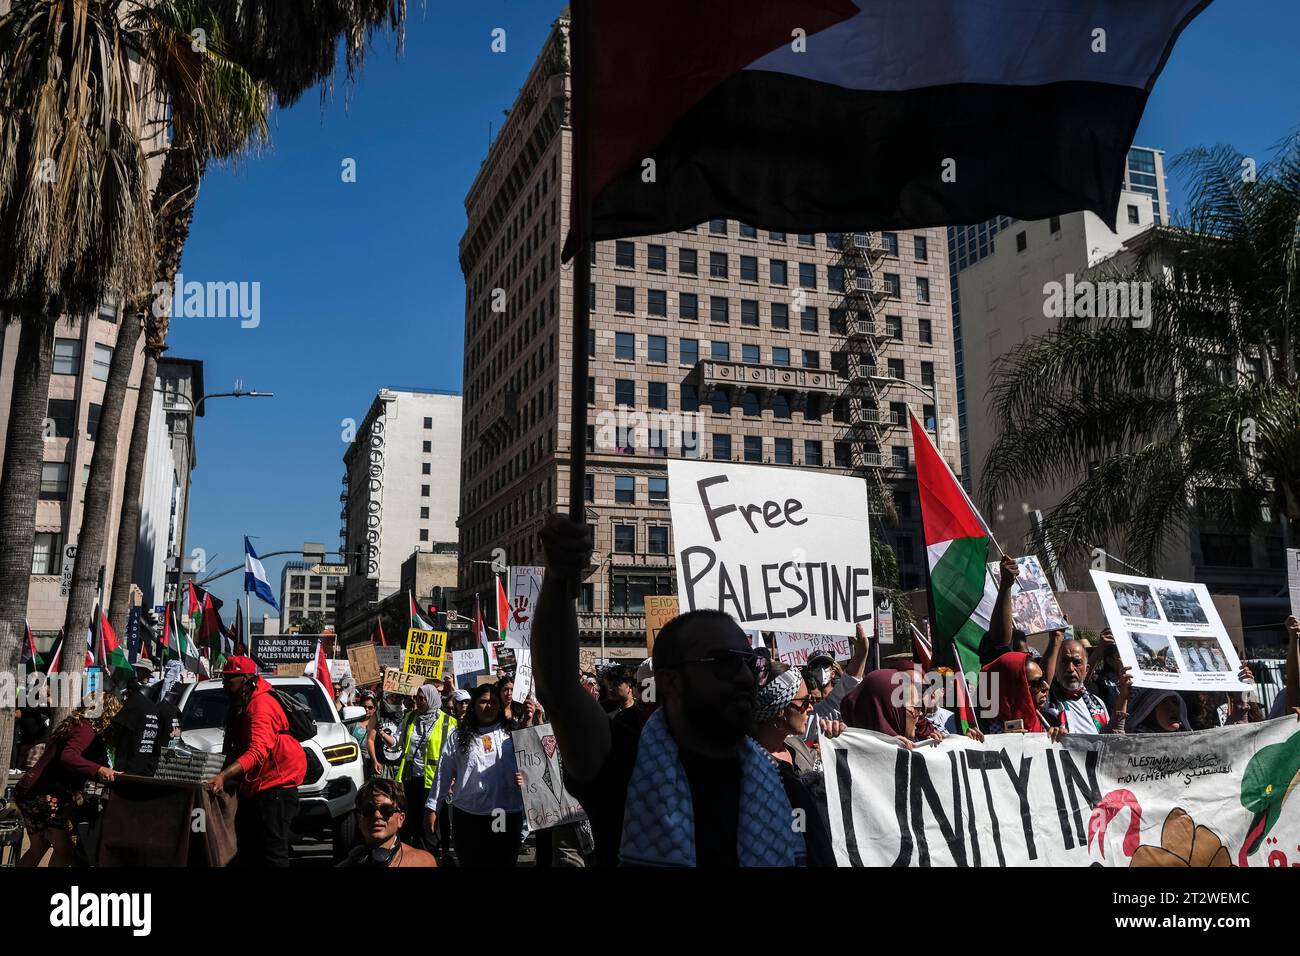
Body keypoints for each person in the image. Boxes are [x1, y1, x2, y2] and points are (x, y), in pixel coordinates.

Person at [532, 514, 834, 868]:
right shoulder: (624, 762)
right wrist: (558, 579)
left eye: (748, 662)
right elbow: (559, 690)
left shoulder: (783, 788)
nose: (743, 676)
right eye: (723, 661)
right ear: (670, 681)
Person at [203, 656, 307, 867]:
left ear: (246, 679)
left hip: (275, 785)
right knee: (250, 850)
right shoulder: (245, 702)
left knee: (272, 854)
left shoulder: (260, 705)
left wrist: (224, 776)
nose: (225, 684)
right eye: (224, 679)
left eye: (229, 679)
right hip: (260, 785)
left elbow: (256, 752)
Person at [14, 692, 121, 867]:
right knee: (64, 851)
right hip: (43, 792)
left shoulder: (75, 724)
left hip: (30, 789)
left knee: (39, 848)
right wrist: (99, 769)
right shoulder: (86, 729)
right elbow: (68, 756)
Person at [424, 683, 524, 867]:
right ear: (473, 705)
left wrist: (526, 777)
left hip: (501, 813)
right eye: (484, 701)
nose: (490, 706)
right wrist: (432, 808)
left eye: (494, 702)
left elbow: (530, 764)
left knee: (500, 862)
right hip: (468, 815)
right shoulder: (458, 736)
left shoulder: (512, 734)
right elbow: (443, 774)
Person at [394, 683, 455, 852]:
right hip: (411, 778)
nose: (418, 702)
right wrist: (382, 734)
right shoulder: (410, 718)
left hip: (436, 780)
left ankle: (434, 854)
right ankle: (415, 853)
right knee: (412, 819)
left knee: (433, 820)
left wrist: (453, 777)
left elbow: (455, 754)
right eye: (417, 698)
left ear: (432, 699)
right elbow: (397, 742)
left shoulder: (448, 723)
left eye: (422, 698)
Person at [336, 778, 436, 868]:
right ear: (359, 820)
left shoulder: (423, 862)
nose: (377, 815)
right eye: (368, 810)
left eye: (387, 810)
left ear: (400, 819)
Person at [979, 651, 1068, 740]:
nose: (1046, 687)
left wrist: (1061, 740)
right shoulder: (981, 730)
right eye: (1036, 683)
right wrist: (1003, 742)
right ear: (1011, 688)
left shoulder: (1050, 721)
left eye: (1043, 679)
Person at [107, 669, 179, 777]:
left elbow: (113, 731)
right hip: (146, 769)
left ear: (128, 691)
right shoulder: (154, 708)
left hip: (127, 771)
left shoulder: (134, 705)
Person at [1042, 635, 1112, 733]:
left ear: (1087, 670)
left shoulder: (1098, 704)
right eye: (1064, 662)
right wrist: (1056, 638)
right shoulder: (1046, 700)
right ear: (1056, 668)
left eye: (1077, 662)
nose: (1070, 669)